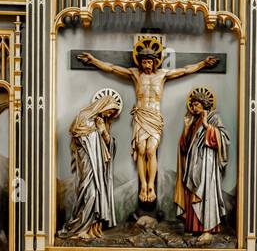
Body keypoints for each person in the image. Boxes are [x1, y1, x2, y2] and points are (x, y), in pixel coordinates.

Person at [77, 37, 218, 217]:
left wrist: (203, 63)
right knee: (141, 149)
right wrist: (94, 61)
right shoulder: (135, 74)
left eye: (149, 61)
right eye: (143, 61)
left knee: (151, 150)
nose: (146, 65)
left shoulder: (163, 75)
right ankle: (143, 185)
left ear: (155, 61)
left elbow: (184, 70)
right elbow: (112, 68)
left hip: (154, 117)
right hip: (141, 116)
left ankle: (151, 185)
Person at [59, 88, 122, 240]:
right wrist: (97, 132)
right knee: (89, 193)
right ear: (103, 105)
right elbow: (77, 133)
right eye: (109, 111)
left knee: (97, 194)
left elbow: (108, 146)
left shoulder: (103, 122)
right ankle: (80, 227)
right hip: (87, 162)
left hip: (99, 167)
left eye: (113, 113)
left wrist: (104, 132)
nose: (109, 115)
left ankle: (92, 229)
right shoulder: (84, 116)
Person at [174, 88, 230, 236]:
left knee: (205, 192)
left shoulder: (213, 118)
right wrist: (186, 128)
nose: (193, 108)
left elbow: (223, 138)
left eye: (196, 104)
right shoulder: (193, 121)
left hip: (207, 163)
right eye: (192, 105)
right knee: (193, 192)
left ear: (204, 104)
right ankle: (194, 227)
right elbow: (184, 147)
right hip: (193, 163)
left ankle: (208, 229)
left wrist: (207, 126)